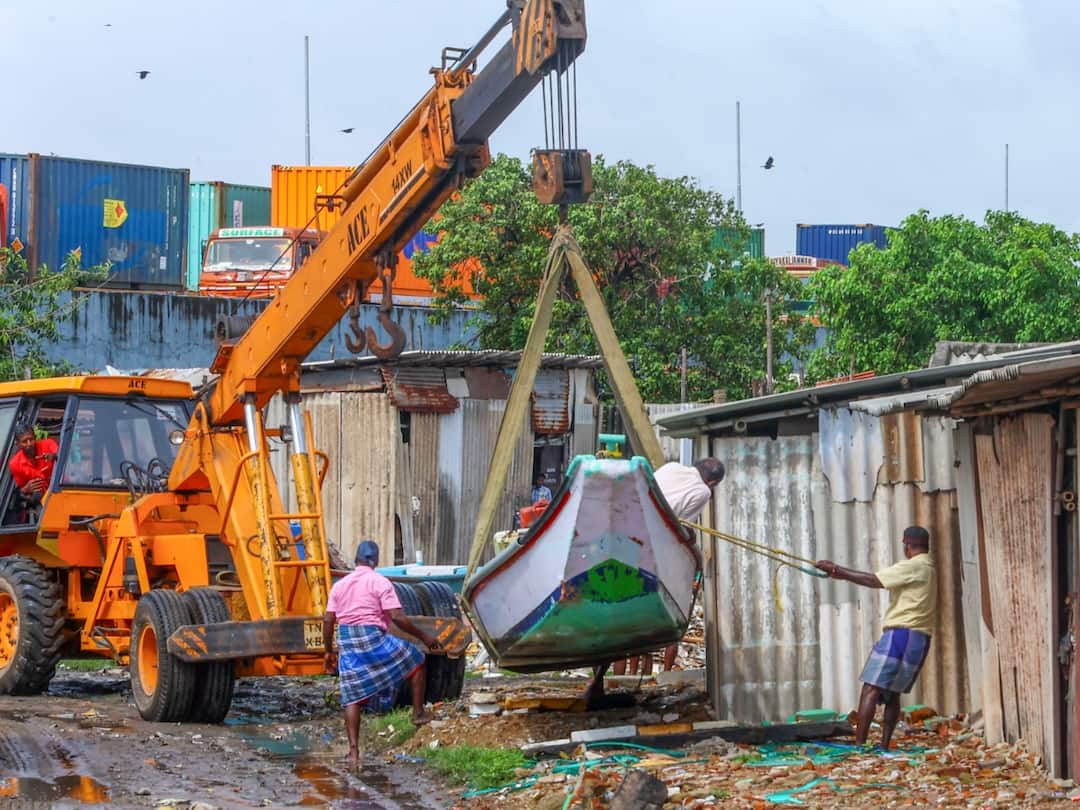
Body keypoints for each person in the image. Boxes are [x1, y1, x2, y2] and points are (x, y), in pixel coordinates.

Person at [596, 457, 725, 694]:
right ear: (713, 481)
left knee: (617, 623)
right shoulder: (702, 491)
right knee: (636, 629)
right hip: (650, 549)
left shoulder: (671, 467)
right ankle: (628, 679)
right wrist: (691, 540)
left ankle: (607, 682)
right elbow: (678, 525)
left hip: (625, 537)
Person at [323, 540, 442, 766]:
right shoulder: (380, 582)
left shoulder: (339, 585)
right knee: (416, 659)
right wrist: (424, 637)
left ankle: (354, 752)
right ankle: (418, 713)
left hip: (347, 639)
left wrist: (329, 650)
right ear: (375, 561)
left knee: (352, 697)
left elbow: (328, 620)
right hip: (372, 637)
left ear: (357, 559)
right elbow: (396, 617)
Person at [816, 526, 936, 748]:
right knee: (893, 694)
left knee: (871, 688)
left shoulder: (914, 566)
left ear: (907, 546)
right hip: (920, 638)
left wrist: (837, 570)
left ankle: (860, 745)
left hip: (901, 634)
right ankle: (883, 746)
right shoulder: (930, 567)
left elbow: (874, 580)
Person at [9, 423, 59, 502]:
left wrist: (54, 455)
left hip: (60, 491)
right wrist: (26, 489)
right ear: (17, 444)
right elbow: (22, 488)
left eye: (31, 439)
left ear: (35, 437)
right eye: (24, 441)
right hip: (42, 500)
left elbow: (64, 457)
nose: (29, 444)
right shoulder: (15, 464)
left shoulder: (49, 444)